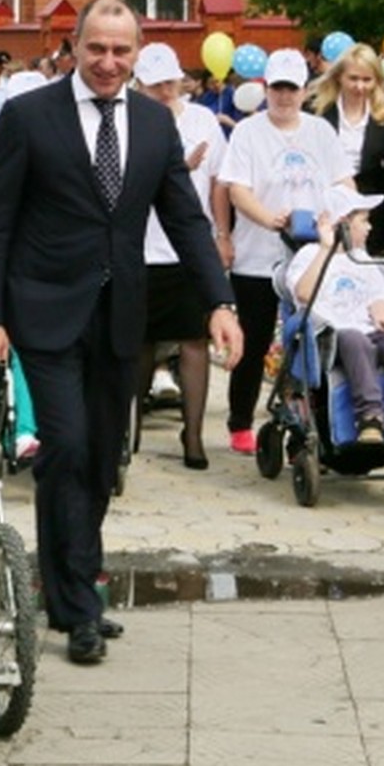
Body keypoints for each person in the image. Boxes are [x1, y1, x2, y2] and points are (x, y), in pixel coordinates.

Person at [0, 0, 241, 665]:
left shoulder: (153, 124)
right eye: (97, 49)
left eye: (122, 51)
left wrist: (219, 302)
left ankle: (67, 592)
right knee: (63, 445)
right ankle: (80, 605)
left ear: (137, 52)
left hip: (122, 316)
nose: (109, 63)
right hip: (43, 311)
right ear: (75, 45)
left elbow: (185, 219)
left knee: (100, 459)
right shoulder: (28, 116)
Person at [218, 49, 355, 455]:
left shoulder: (320, 132)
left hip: (310, 258)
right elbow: (236, 188)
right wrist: (267, 218)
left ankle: (307, 419)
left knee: (307, 341)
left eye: (291, 89)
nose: (283, 96)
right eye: (276, 88)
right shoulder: (248, 132)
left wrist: (350, 211)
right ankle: (240, 420)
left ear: (303, 91)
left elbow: (343, 179)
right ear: (265, 88)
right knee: (255, 341)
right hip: (258, 256)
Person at [132, 43, 227, 470]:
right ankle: (128, 426)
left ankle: (192, 433)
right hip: (141, 248)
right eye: (156, 86)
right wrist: (176, 167)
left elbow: (218, 184)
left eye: (171, 82)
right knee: (140, 342)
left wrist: (221, 234)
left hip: (187, 249)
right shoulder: (129, 119)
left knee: (194, 339)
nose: (166, 92)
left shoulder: (203, 119)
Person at [287, 186, 384, 448]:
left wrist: (381, 315)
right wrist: (326, 248)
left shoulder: (362, 258)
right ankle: (369, 416)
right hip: (333, 336)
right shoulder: (308, 255)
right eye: (363, 221)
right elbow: (304, 293)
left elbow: (377, 295)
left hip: (369, 330)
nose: (369, 228)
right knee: (355, 340)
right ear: (342, 224)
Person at [309, 43, 384, 253]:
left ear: (377, 81)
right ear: (339, 78)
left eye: (366, 80)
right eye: (353, 78)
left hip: (368, 213)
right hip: (323, 206)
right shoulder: (318, 113)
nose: (359, 86)